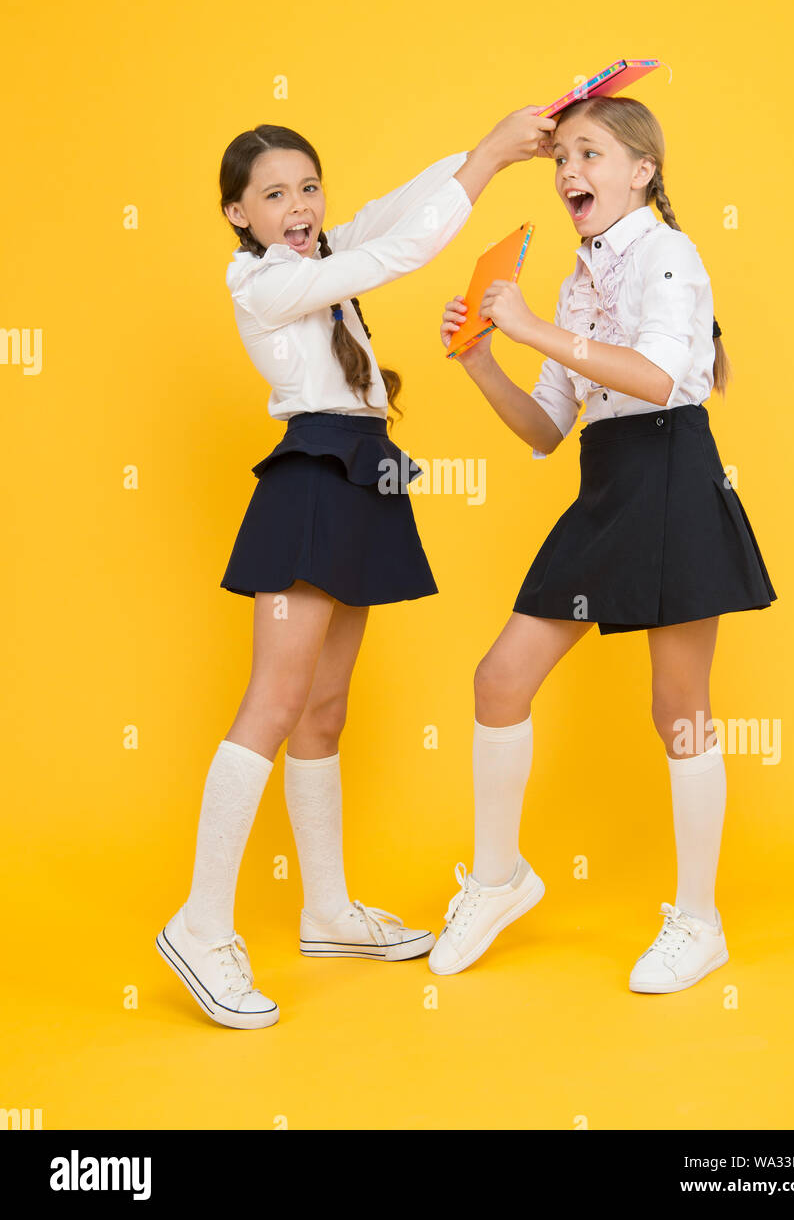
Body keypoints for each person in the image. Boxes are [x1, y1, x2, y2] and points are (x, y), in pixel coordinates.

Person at [155, 107, 556, 1028]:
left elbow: (395, 211)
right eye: (273, 195)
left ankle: (328, 910)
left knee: (326, 708)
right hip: (312, 479)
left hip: (364, 472)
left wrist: (481, 159)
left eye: (307, 186)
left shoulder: (321, 249)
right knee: (275, 699)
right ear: (236, 213)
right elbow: (393, 256)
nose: (297, 206)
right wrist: (494, 153)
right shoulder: (263, 282)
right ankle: (200, 923)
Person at [431, 94, 777, 993]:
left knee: (681, 711)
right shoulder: (575, 276)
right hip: (605, 480)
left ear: (641, 172)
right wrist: (480, 359)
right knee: (497, 681)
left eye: (589, 153)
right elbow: (547, 427)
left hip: (669, 476)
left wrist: (535, 329)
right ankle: (500, 879)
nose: (568, 171)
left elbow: (663, 377)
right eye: (560, 158)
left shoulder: (667, 252)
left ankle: (698, 922)